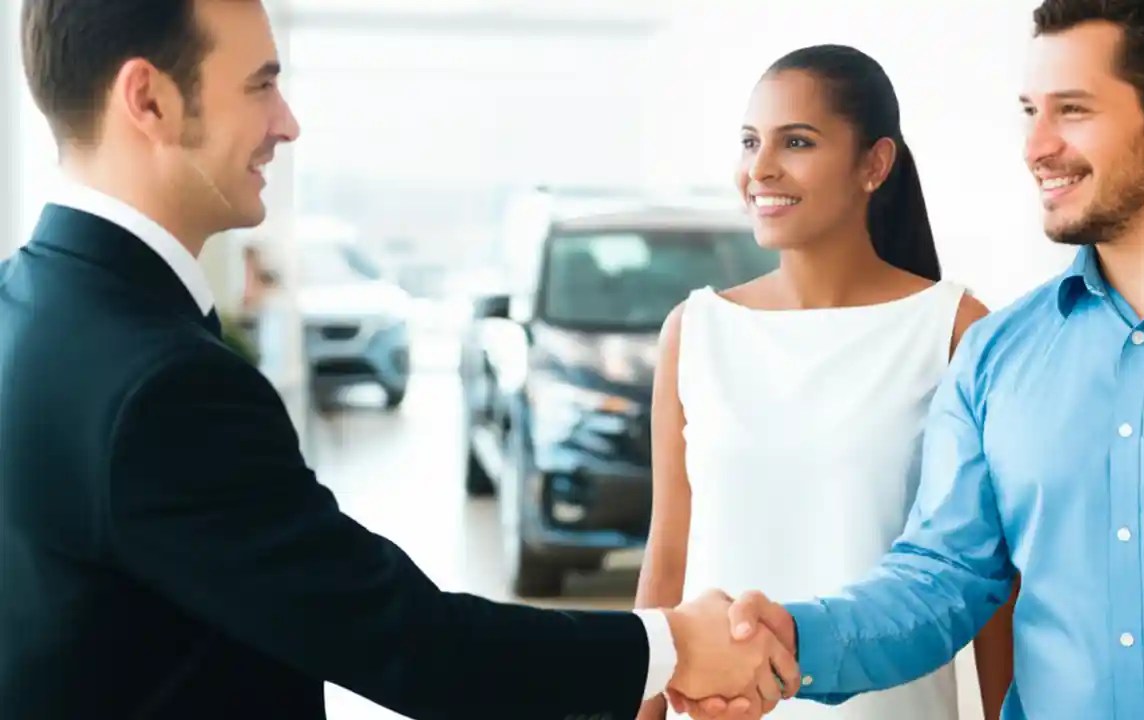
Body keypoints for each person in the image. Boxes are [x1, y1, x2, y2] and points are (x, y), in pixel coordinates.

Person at [0, 2, 799, 718]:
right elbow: (412, 645)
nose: (287, 123)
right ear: (149, 100)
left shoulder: (28, 305)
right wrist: (676, 647)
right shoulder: (165, 386)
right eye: (259, 85)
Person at [693, 1, 1144, 719]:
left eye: (1072, 110)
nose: (1035, 147)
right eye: (1030, 110)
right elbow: (942, 580)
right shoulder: (998, 356)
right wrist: (796, 640)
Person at [634, 45, 1016, 720]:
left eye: (798, 141)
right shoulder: (694, 332)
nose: (761, 168)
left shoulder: (953, 330)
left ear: (875, 164)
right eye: (751, 141)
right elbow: (667, 563)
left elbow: (989, 586)